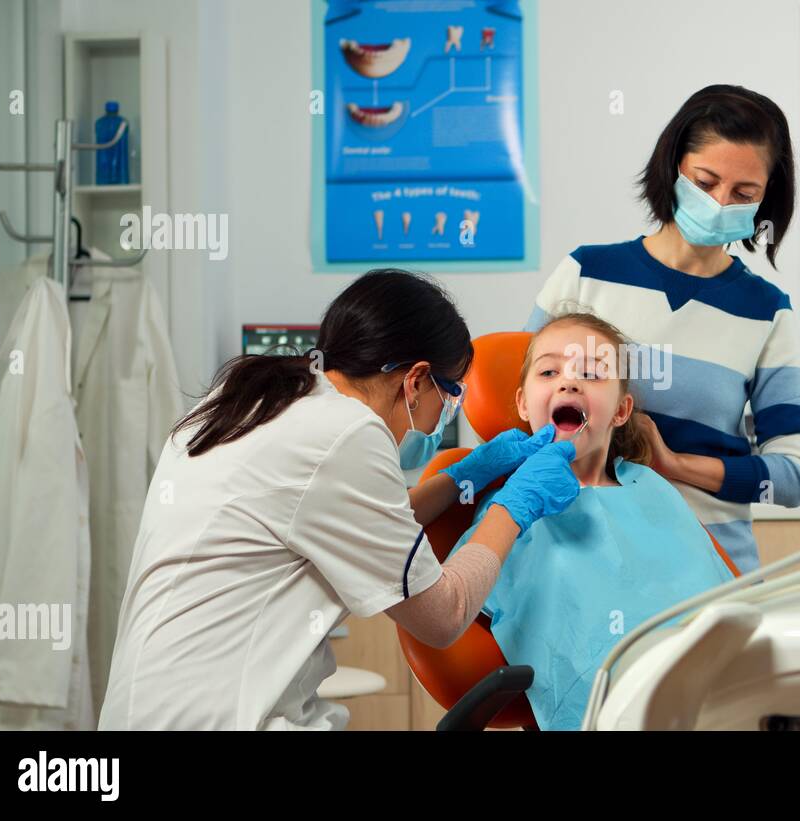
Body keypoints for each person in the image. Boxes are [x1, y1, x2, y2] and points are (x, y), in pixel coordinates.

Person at [99, 270, 580, 730]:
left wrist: (461, 478)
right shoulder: (348, 434)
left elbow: (351, 523)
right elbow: (445, 614)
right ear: (415, 381)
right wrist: (514, 505)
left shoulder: (252, 398)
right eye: (449, 397)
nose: (442, 420)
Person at [526, 84, 800, 574]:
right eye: (706, 183)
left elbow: (791, 477)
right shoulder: (584, 275)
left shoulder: (767, 312)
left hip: (708, 570)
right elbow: (518, 414)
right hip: (579, 561)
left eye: (744, 194)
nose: (722, 203)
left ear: (765, 202)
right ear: (674, 166)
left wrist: (674, 465)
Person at [449, 313, 736, 729]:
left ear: (621, 411)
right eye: (549, 371)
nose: (568, 382)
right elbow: (454, 592)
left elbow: (722, 597)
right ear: (522, 403)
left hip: (715, 698)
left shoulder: (650, 487)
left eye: (591, 372)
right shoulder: (514, 506)